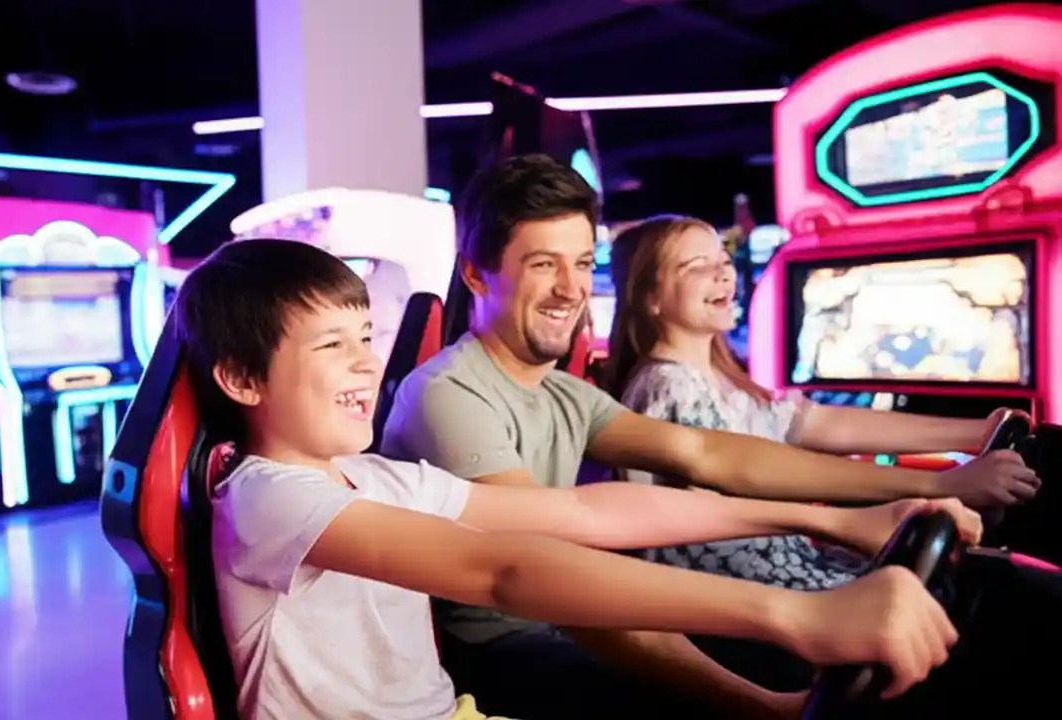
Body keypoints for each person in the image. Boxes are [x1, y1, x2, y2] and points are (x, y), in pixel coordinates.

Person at [172, 237, 970, 720]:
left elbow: (584, 515)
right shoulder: (265, 496)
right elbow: (503, 570)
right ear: (243, 379)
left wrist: (825, 520)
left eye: (366, 337)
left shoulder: (371, 477)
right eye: (331, 346)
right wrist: (795, 615)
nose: (367, 362)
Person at [378, 154, 1038, 719]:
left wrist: (917, 490)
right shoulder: (447, 394)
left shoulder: (560, 392)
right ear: (475, 275)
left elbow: (711, 454)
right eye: (544, 264)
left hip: (569, 617)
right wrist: (764, 700)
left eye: (582, 263)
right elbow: (551, 577)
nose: (572, 288)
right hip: (506, 649)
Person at [602, 214, 1039, 589]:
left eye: (722, 260)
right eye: (698, 266)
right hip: (753, 601)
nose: (724, 274)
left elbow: (818, 423)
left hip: (788, 578)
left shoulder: (719, 381)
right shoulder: (668, 384)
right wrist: (943, 485)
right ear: (650, 298)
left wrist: (978, 433)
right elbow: (751, 471)